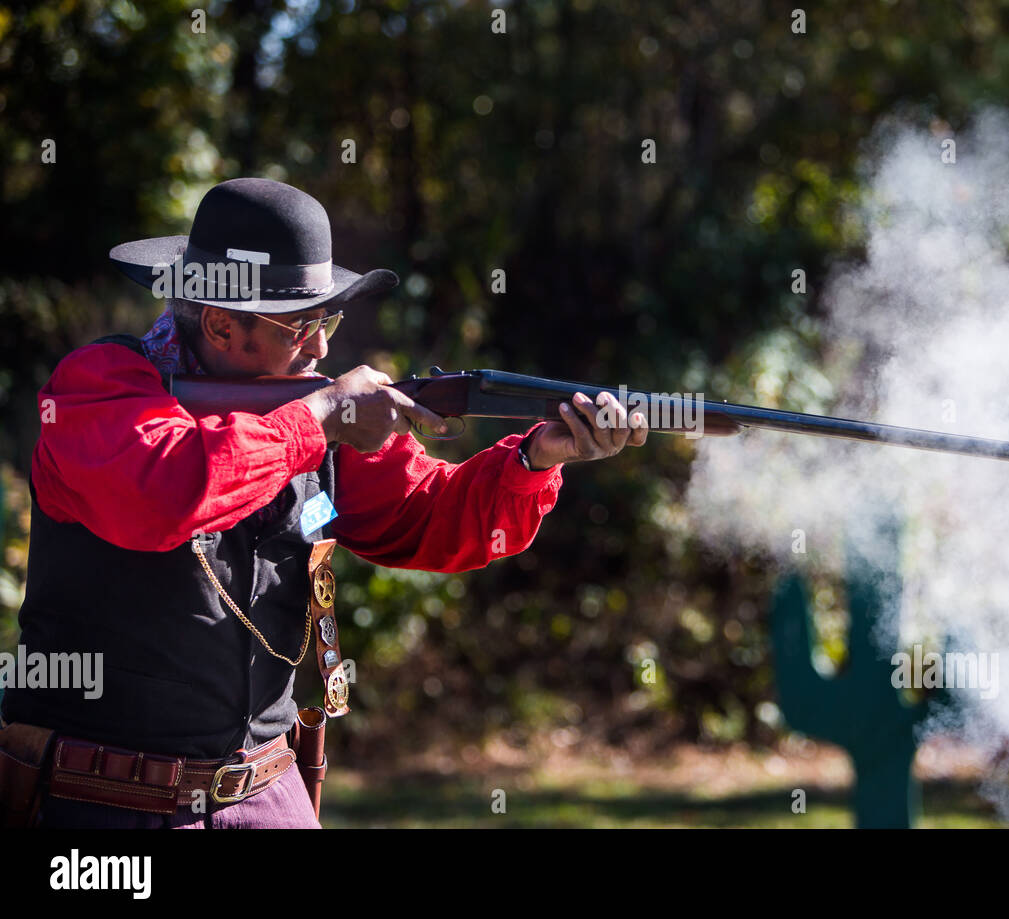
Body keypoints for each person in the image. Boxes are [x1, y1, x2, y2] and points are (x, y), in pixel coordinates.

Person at [0, 177, 647, 828]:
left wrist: (537, 458)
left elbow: (431, 517)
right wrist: (319, 419)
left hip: (265, 795)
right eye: (302, 324)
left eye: (327, 320)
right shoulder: (98, 389)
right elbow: (169, 492)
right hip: (100, 804)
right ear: (220, 322)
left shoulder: (312, 410)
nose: (323, 348)